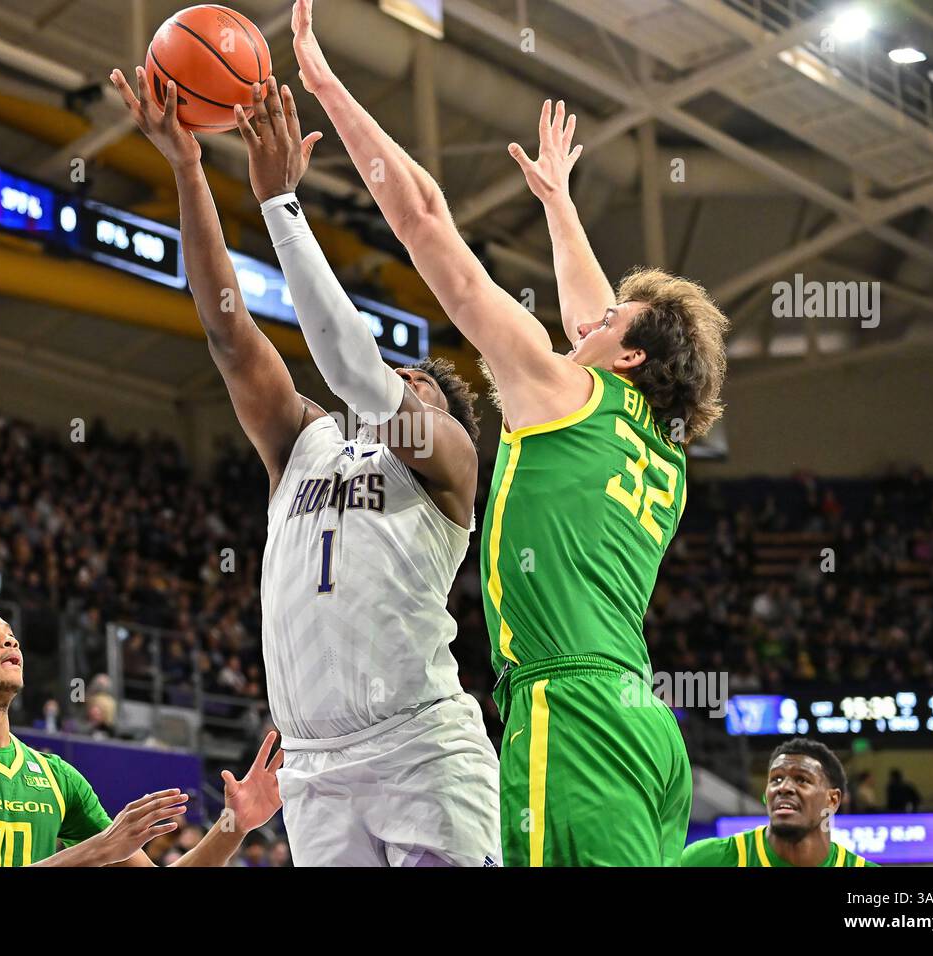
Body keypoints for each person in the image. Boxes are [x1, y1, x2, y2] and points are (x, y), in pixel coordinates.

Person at [290, 0, 728, 866]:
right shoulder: (663, 444)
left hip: (572, 714)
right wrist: (560, 206)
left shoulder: (564, 389)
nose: (586, 321)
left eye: (608, 323)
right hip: (643, 727)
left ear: (629, 356)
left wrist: (331, 88)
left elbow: (422, 218)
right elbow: (589, 308)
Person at [109, 61, 500, 868]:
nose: (399, 384)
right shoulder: (304, 442)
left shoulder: (448, 463)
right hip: (314, 765)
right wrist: (188, 170)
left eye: (416, 382)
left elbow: (356, 371)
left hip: (420, 746)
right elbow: (227, 334)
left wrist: (280, 204)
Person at [0, 599, 283, 866]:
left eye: (9, 632)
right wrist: (100, 848)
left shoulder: (56, 776)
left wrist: (234, 825)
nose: (9, 638)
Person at [682, 738, 877, 867]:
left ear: (832, 800)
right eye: (775, 779)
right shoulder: (710, 859)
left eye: (802, 779)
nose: (783, 788)